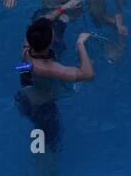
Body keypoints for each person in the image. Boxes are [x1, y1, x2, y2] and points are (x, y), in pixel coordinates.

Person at [16, 19, 95, 153]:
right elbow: (87, 74)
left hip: (24, 95)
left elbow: (40, 24)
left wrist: (62, 9)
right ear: (50, 42)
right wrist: (80, 43)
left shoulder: (27, 46)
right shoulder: (50, 69)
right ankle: (44, 170)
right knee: (49, 149)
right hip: (42, 108)